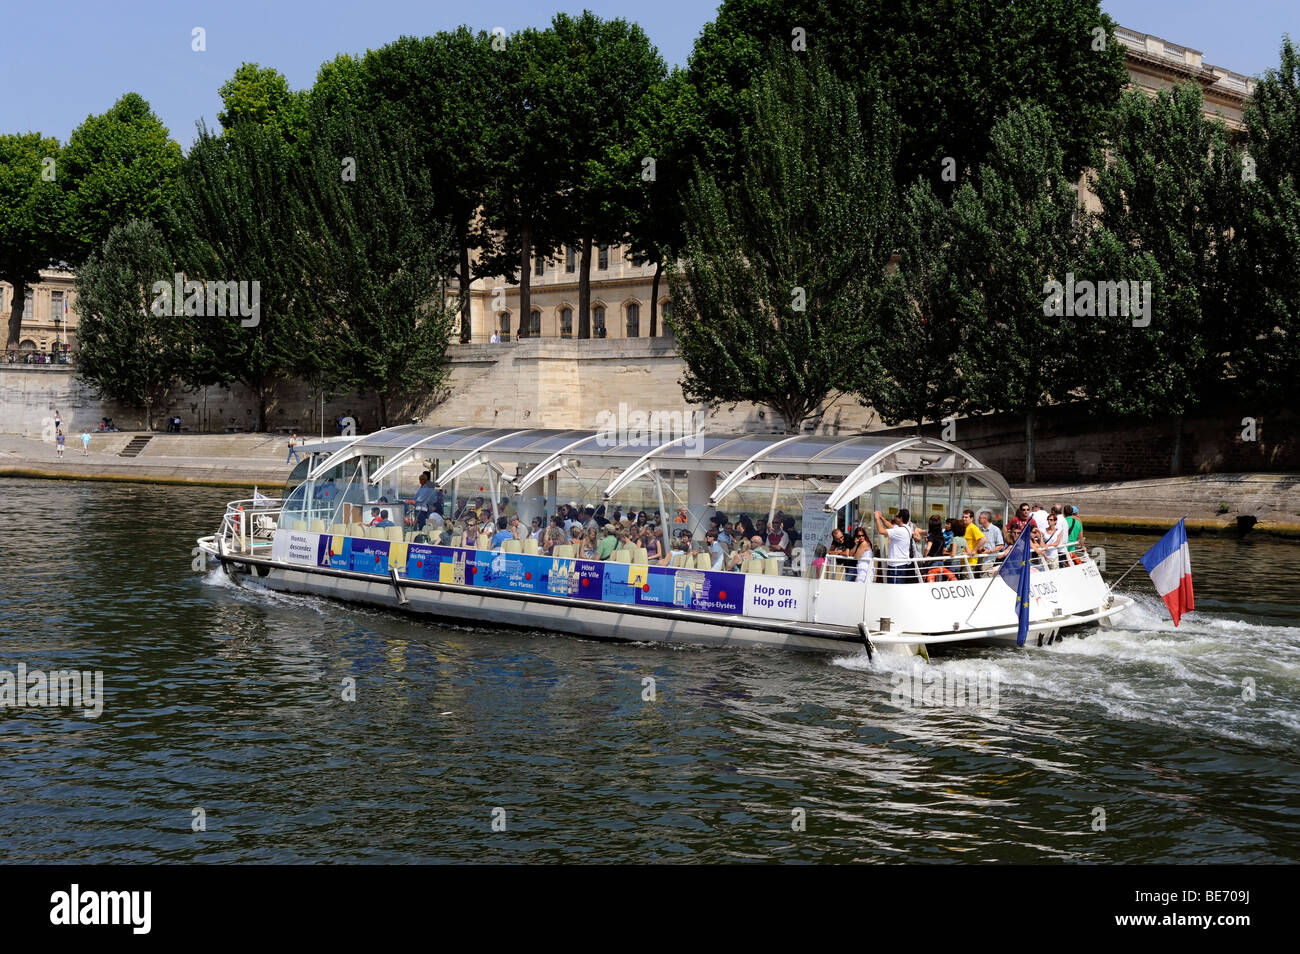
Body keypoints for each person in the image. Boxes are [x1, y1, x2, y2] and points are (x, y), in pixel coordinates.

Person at [874, 510, 921, 584]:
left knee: (894, 588)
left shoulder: (900, 531)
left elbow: (881, 531)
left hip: (897, 566)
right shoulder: (907, 528)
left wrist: (877, 518)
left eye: (896, 516)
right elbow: (889, 525)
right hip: (900, 565)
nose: (894, 518)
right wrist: (881, 517)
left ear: (901, 518)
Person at [961, 509, 985, 578]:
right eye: (963, 517)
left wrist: (974, 550)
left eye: (966, 517)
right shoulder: (964, 527)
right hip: (963, 560)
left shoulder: (973, 528)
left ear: (971, 519)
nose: (963, 519)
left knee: (967, 581)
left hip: (970, 561)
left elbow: (983, 539)